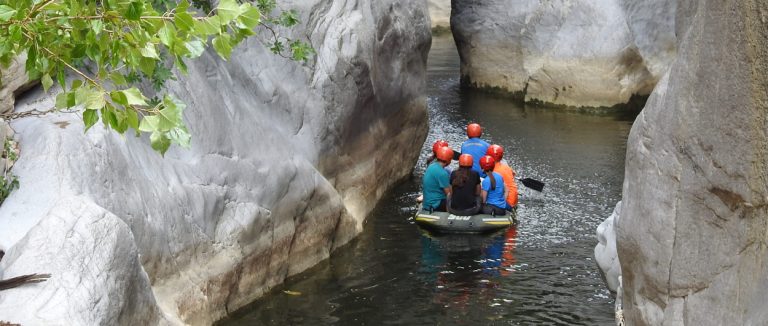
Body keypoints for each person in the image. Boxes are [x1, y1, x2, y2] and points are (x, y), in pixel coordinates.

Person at [487, 144, 519, 209]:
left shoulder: (493, 171)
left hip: (507, 202)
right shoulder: (507, 167)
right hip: (514, 199)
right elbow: (513, 174)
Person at [422, 146, 454, 212]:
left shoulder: (431, 166)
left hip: (427, 203)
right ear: (449, 160)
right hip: (436, 205)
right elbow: (449, 194)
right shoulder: (443, 173)